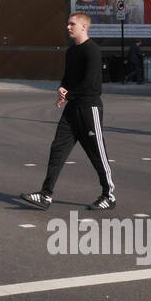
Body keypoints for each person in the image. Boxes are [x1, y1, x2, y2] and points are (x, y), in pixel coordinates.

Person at [19, 12, 117, 211]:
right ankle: (46, 195)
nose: (68, 27)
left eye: (72, 24)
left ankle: (109, 195)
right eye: (68, 24)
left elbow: (91, 85)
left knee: (98, 153)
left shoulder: (92, 51)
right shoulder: (71, 51)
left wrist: (69, 95)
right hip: (72, 110)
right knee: (57, 150)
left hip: (89, 109)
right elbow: (68, 78)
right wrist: (62, 89)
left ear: (84, 27)